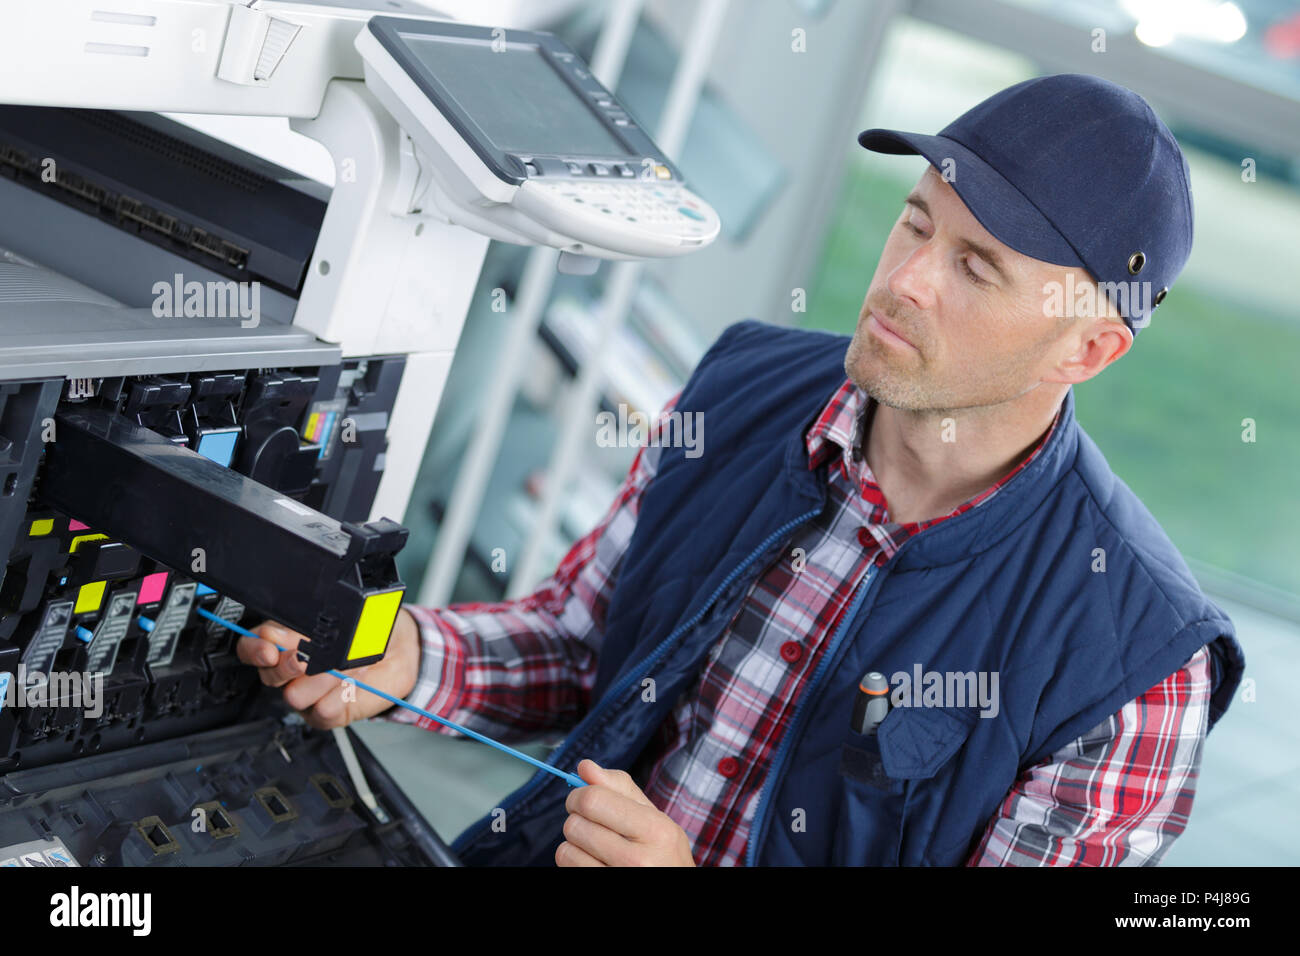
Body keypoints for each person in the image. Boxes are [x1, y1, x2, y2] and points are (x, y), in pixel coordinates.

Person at [238, 73, 1244, 866]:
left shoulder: (1137, 661)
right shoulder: (743, 385)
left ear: (1085, 349)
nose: (900, 281)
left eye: (976, 268)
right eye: (915, 221)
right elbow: (587, 641)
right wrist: (411, 661)